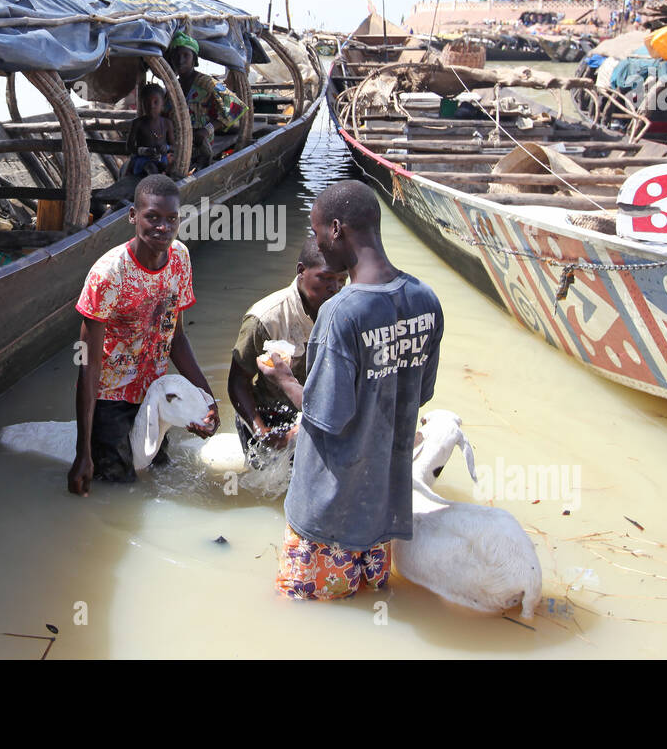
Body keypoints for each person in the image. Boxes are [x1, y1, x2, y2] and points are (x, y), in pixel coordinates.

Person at [258, 180, 443, 601]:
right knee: (370, 608)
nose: (319, 245)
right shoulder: (426, 300)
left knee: (305, 615)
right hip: (381, 514)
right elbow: (419, 394)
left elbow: (327, 416)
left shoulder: (342, 313)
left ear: (337, 229)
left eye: (319, 232)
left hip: (327, 519)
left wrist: (284, 378)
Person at [69, 173, 220, 493]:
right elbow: (88, 366)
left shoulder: (179, 259)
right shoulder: (109, 274)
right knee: (118, 488)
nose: (162, 227)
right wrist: (83, 452)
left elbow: (176, 337)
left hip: (153, 393)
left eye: (171, 219)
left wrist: (206, 399)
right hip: (110, 399)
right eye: (152, 217)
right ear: (133, 216)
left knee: (159, 473)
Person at [226, 238, 345, 469]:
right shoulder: (266, 318)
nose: (336, 288)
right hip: (267, 416)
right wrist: (262, 432)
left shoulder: (344, 313)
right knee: (269, 487)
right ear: (301, 271)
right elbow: (238, 382)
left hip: (312, 413)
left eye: (342, 280)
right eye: (327, 278)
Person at [164, 31, 245, 170]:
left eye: (186, 55)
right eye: (176, 56)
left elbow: (235, 108)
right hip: (176, 143)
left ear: (194, 60)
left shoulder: (207, 83)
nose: (180, 60)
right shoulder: (173, 86)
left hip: (200, 144)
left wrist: (207, 130)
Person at [125, 83, 174, 177]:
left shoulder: (167, 123)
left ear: (162, 104)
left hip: (161, 158)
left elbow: (174, 146)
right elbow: (129, 146)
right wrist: (144, 151)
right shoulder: (137, 123)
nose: (151, 106)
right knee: (151, 168)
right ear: (141, 104)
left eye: (156, 102)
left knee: (169, 168)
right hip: (143, 160)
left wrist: (166, 147)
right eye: (147, 103)